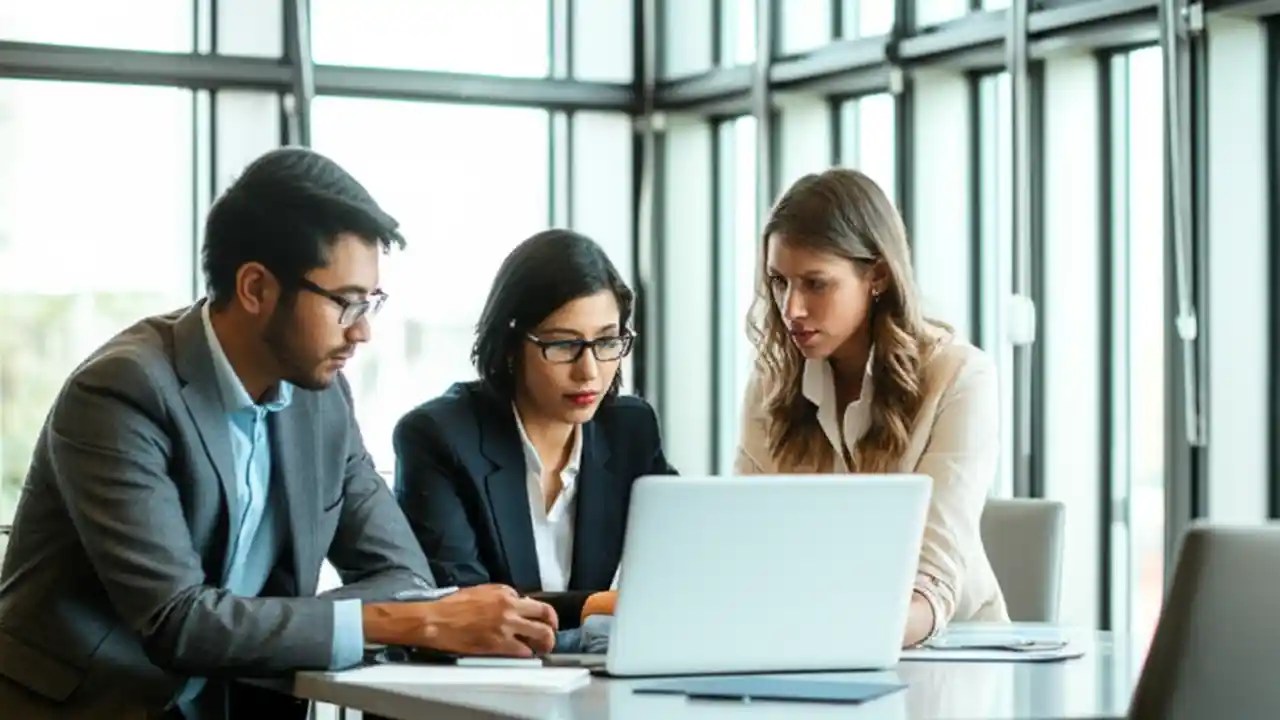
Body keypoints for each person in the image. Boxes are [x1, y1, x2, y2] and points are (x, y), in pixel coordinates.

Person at [0, 148, 557, 719]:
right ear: (256, 288)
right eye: (345, 303)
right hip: (92, 705)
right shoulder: (122, 393)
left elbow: (403, 576)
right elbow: (177, 622)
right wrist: (414, 620)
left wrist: (384, 614)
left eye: (371, 303)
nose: (363, 330)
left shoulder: (322, 400)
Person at [735, 168, 1009, 648]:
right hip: (807, 648)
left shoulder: (960, 377)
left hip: (951, 655)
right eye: (779, 282)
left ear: (877, 275)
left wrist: (834, 638)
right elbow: (747, 545)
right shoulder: (772, 385)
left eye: (815, 284)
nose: (791, 308)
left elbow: (933, 581)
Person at [393, 229, 675, 631]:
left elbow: (685, 557)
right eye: (563, 345)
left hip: (582, 677)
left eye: (607, 342)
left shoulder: (630, 429)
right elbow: (465, 604)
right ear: (510, 345)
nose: (589, 371)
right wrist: (605, 606)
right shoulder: (438, 437)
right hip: (478, 679)